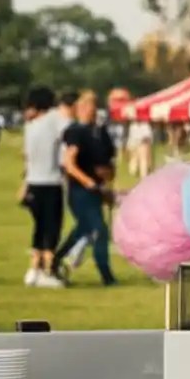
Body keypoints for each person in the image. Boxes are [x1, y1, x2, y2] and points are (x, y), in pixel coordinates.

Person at [55, 91, 117, 286]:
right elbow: (69, 163)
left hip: (97, 190)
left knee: (83, 228)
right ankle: (106, 275)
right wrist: (87, 181)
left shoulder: (99, 132)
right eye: (88, 106)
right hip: (80, 191)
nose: (92, 110)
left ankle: (55, 260)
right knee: (100, 230)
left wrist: (106, 184)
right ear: (80, 108)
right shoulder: (75, 132)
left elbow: (107, 162)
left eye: (94, 106)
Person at [20, 87, 67, 288]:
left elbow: (26, 157)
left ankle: (33, 269)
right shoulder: (54, 119)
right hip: (51, 181)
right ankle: (47, 271)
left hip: (33, 182)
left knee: (38, 227)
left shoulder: (29, 127)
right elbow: (69, 131)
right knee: (51, 228)